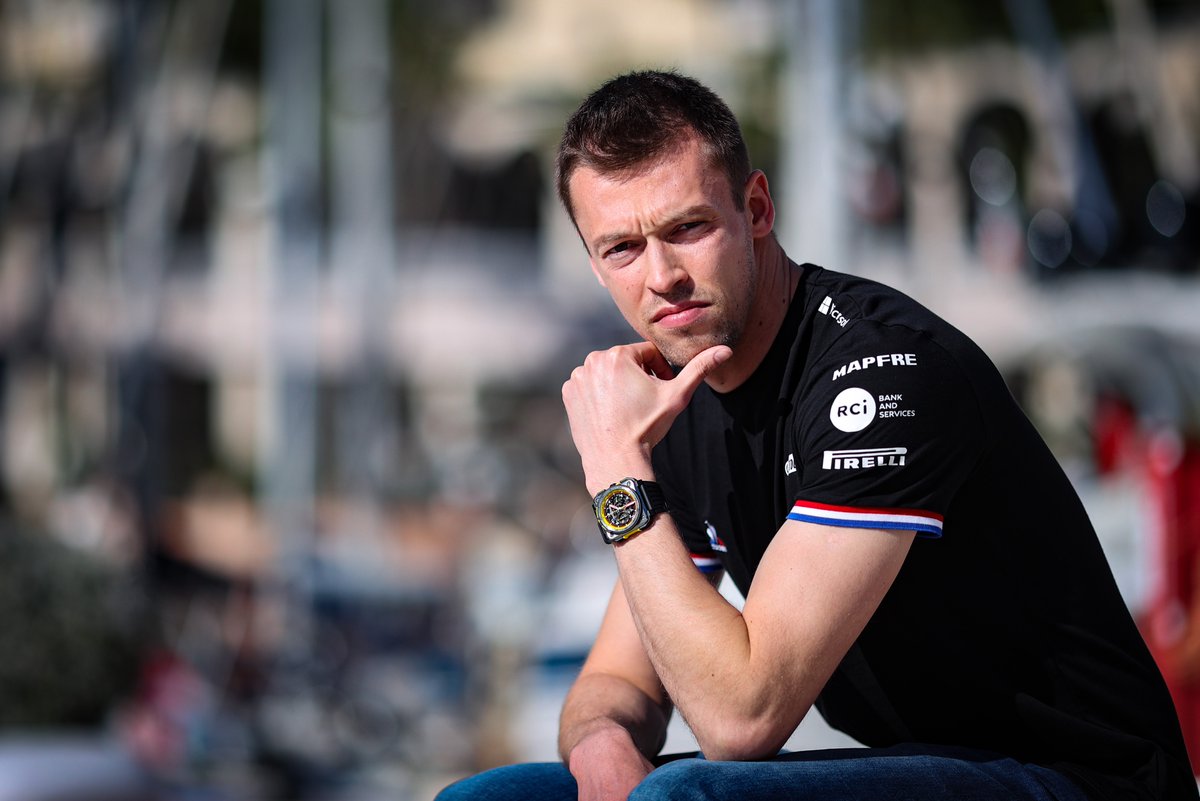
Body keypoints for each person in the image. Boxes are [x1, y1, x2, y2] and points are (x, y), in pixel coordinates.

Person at [436, 70, 1197, 801]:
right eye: (622, 249)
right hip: (926, 766)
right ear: (596, 265)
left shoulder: (883, 371)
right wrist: (603, 742)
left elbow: (744, 716)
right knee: (490, 795)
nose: (661, 275)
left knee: (686, 794)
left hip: (1080, 776)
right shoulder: (675, 404)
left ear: (757, 209)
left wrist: (613, 468)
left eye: (688, 228)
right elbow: (615, 680)